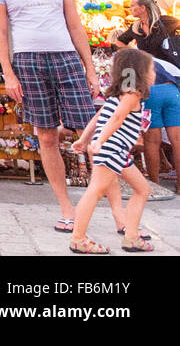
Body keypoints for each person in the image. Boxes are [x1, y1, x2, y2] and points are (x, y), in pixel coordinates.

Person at [0, 0, 98, 233]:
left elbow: (75, 26)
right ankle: (67, 209)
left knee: (91, 132)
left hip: (65, 55)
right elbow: (0, 34)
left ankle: (116, 208)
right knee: (47, 136)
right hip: (28, 61)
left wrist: (89, 68)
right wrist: (8, 74)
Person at [68, 48, 155, 253]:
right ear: (139, 72)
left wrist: (84, 139)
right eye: (151, 69)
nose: (154, 74)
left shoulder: (119, 97)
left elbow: (99, 118)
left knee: (143, 189)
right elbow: (115, 119)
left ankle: (131, 237)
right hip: (112, 149)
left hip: (115, 150)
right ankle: (78, 238)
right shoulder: (132, 95)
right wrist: (99, 142)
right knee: (95, 191)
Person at [114, 0, 180, 192]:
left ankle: (154, 185)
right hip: (171, 87)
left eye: (133, 6)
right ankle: (179, 185)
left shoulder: (136, 30)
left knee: (152, 140)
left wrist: (137, 58)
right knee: (176, 140)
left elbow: (119, 43)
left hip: (150, 88)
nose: (131, 8)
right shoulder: (164, 23)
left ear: (143, 7)